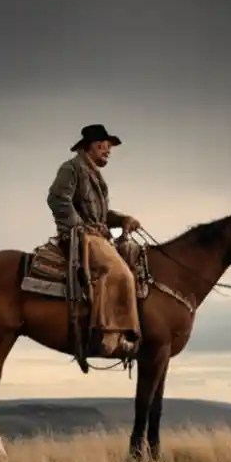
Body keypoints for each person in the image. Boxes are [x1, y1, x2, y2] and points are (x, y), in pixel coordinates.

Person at [47, 124, 142, 358]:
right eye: (104, 145)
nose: (108, 150)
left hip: (97, 234)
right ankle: (110, 335)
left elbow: (102, 216)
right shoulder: (71, 168)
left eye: (109, 147)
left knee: (135, 257)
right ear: (90, 146)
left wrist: (123, 219)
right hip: (81, 236)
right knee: (119, 273)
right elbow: (58, 199)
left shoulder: (95, 177)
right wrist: (79, 228)